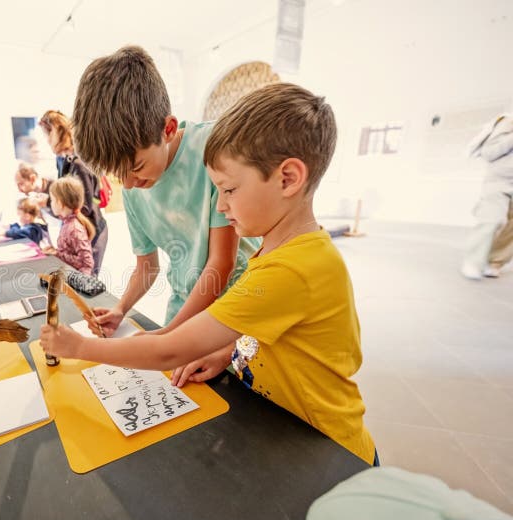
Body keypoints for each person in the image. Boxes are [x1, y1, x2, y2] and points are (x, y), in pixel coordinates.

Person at [41, 82, 378, 466]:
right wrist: (228, 350)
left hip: (330, 452)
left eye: (229, 189)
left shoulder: (292, 269)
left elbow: (169, 349)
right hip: (289, 434)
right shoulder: (282, 249)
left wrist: (79, 348)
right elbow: (276, 333)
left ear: (288, 178)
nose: (220, 204)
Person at [71, 45, 260, 348]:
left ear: (168, 129)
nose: (129, 185)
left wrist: (168, 336)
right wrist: (121, 309)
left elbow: (221, 263)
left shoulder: (213, 149)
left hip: (237, 313)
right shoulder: (133, 186)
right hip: (185, 308)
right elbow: (147, 265)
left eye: (136, 167)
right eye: (119, 176)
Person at [39, 110, 108, 276]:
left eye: (48, 135)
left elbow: (84, 205)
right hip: (80, 226)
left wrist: (49, 203)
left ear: (56, 132)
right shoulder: (63, 160)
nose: (47, 140)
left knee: (88, 279)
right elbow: (65, 191)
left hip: (91, 228)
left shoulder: (79, 164)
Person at [461, 113, 513, 280]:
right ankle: (473, 262)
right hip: (500, 181)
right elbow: (489, 152)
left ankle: (494, 262)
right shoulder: (507, 122)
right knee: (492, 219)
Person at [50, 177, 95, 275]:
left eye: (52, 200)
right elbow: (69, 252)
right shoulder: (67, 224)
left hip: (76, 282)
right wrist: (55, 253)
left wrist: (57, 254)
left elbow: (86, 263)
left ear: (60, 202)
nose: (51, 204)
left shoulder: (74, 229)